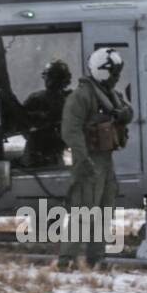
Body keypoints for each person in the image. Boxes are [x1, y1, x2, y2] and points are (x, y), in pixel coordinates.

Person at [56, 48, 132, 270]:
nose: (117, 77)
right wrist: (82, 159)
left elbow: (128, 112)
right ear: (103, 72)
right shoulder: (81, 97)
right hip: (90, 159)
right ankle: (66, 259)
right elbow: (71, 131)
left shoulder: (110, 95)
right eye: (114, 73)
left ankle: (96, 257)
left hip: (105, 159)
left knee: (104, 210)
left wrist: (122, 114)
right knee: (83, 211)